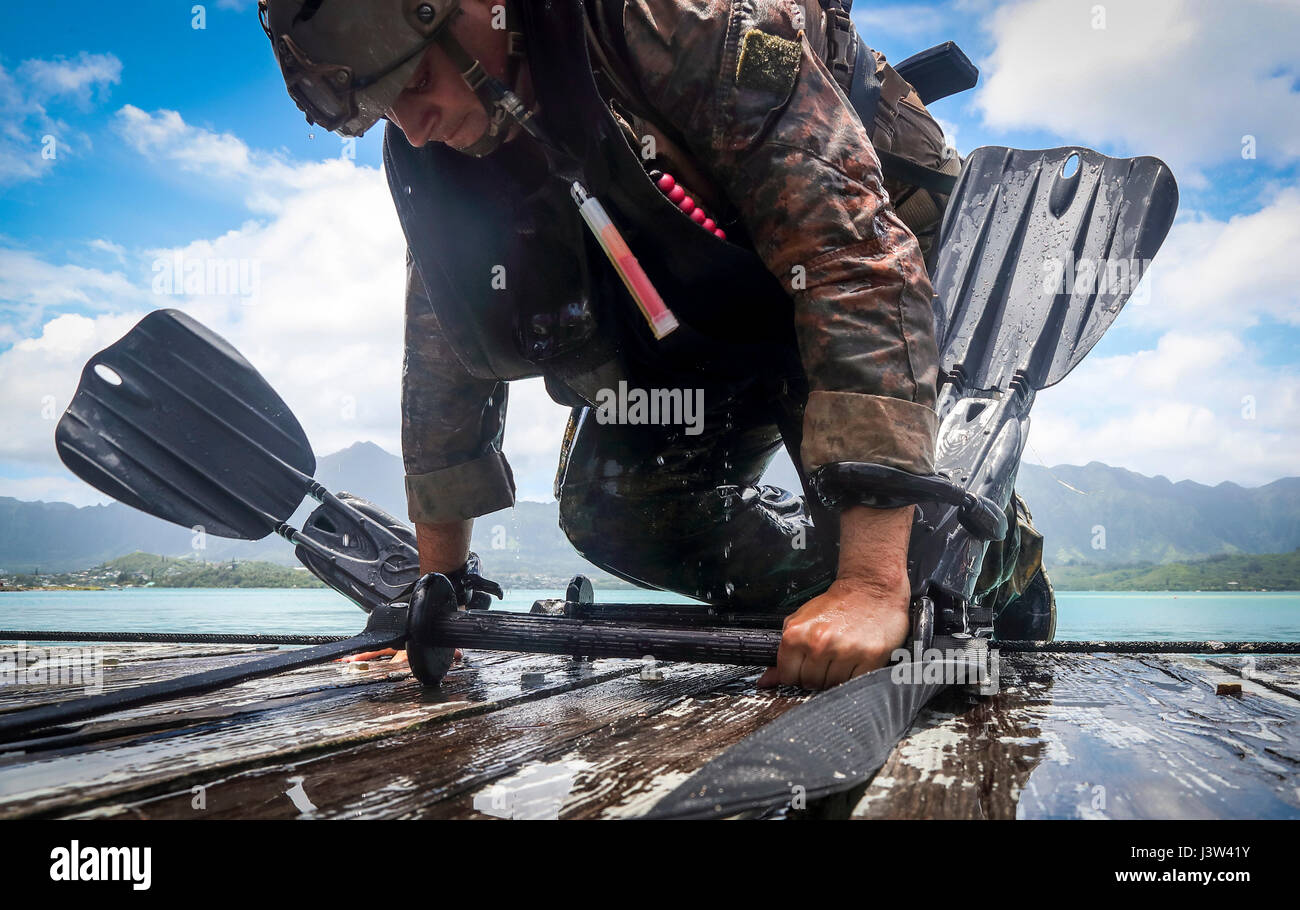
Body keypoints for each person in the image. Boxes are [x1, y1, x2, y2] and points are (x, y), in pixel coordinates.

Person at [260, 0, 1050, 690]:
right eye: (384, 107)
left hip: (863, 278)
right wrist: (440, 597)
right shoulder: (451, 155)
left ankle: (987, 554)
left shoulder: (677, 19)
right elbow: (442, 363)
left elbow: (854, 257)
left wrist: (876, 582)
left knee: (900, 558)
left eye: (414, 82)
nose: (412, 125)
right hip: (697, 314)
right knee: (613, 510)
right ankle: (848, 573)